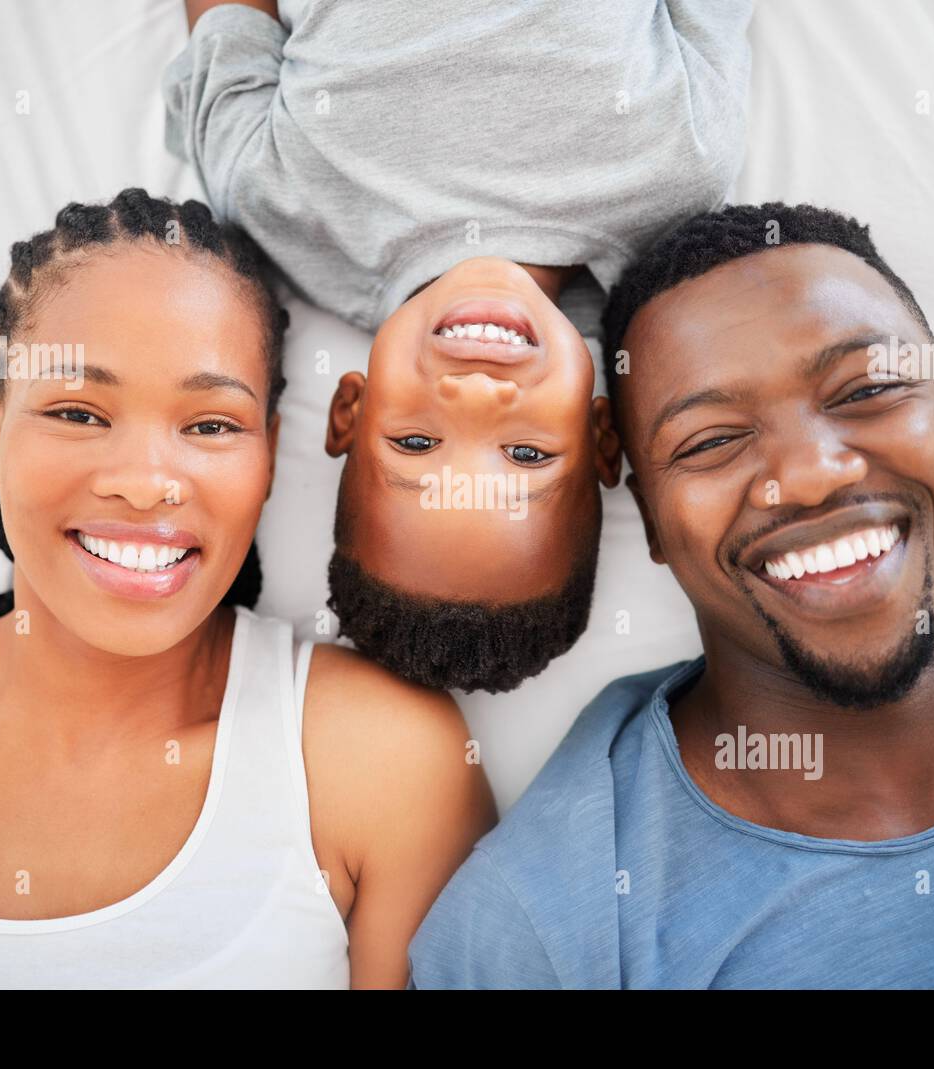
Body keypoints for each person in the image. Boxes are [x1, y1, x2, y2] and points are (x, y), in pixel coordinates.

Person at [407, 203, 934, 988]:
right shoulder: (539, 939)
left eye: (867, 389)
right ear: (647, 511)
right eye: (712, 441)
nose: (812, 475)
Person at [0, 189, 495, 990]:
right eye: (78, 413)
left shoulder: (384, 760)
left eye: (210, 425)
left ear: (270, 458)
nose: (146, 486)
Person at [162, 0, 752, 691]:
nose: (475, 391)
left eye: (415, 443)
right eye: (527, 454)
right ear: (602, 437)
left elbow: (231, 21)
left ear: (349, 409)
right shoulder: (682, 166)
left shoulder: (278, 207)